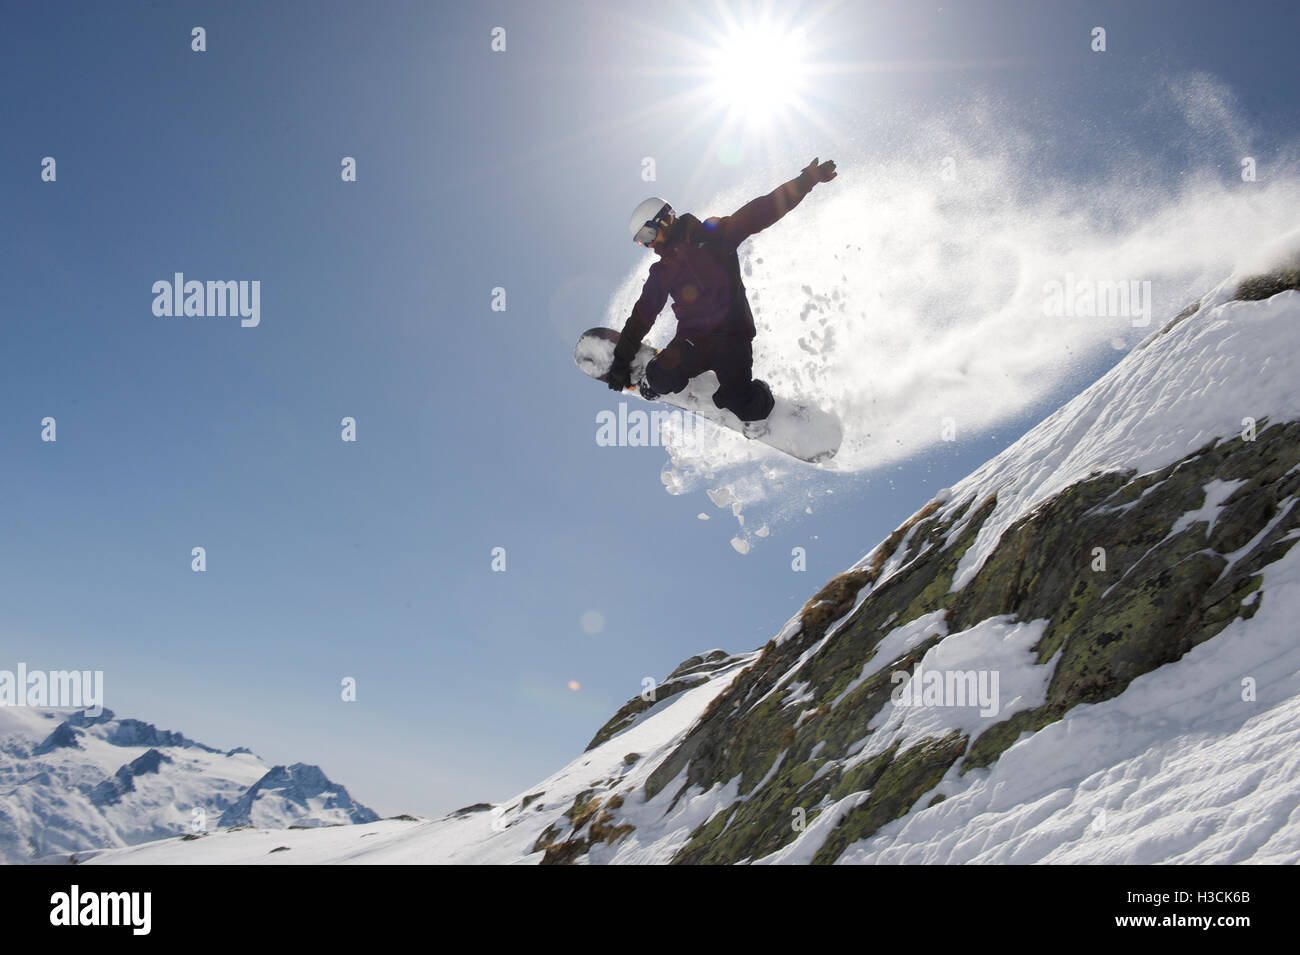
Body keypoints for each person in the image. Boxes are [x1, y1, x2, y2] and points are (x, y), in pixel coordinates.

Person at [607, 157, 837, 432]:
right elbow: (643, 314)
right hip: (693, 341)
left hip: (733, 338)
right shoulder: (662, 271)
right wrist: (622, 360)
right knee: (659, 380)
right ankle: (654, 378)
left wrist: (806, 180)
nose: (647, 244)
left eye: (647, 234)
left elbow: (761, 210)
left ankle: (755, 394)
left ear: (664, 220)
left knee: (745, 405)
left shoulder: (715, 236)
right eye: (641, 241)